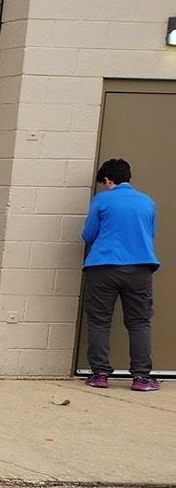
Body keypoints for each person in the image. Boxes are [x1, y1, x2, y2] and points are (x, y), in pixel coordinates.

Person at [80, 158, 159, 392]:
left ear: (108, 180)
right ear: (129, 178)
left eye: (104, 182)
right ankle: (142, 378)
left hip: (103, 267)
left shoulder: (102, 199)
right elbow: (150, 233)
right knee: (139, 322)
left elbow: (88, 234)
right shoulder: (147, 202)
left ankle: (100, 374)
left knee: (99, 321)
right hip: (140, 268)